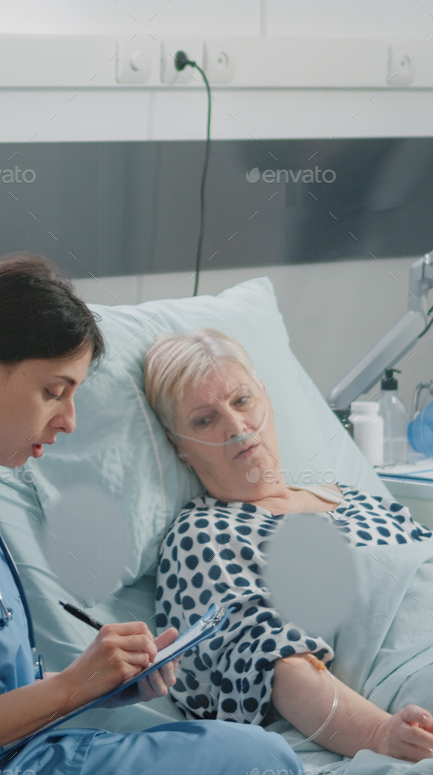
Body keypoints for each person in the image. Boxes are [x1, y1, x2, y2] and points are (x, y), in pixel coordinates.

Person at [0, 257, 303, 775]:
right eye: (54, 392)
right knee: (255, 759)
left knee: (250, 751)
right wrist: (70, 687)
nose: (68, 421)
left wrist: (100, 684)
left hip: (20, 752)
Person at [144, 327, 433, 764]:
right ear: (179, 447)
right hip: (402, 687)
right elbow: (276, 664)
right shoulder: (206, 535)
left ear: (266, 397)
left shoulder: (359, 500)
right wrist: (380, 734)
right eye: (205, 420)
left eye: (242, 401)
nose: (237, 427)